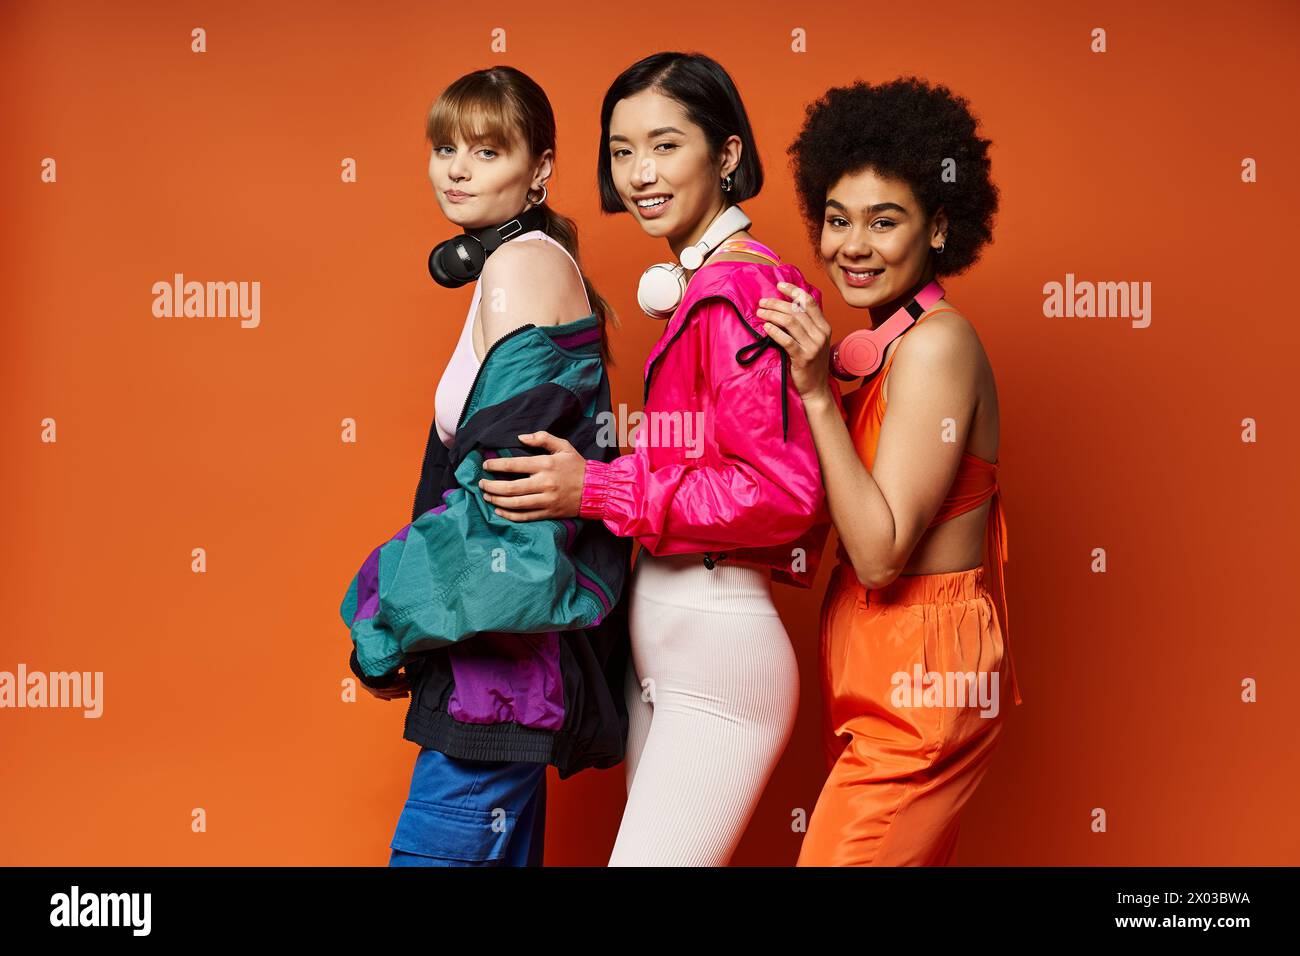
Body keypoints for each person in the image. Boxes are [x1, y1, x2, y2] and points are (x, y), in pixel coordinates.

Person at [478, 52, 832, 866]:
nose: (640, 173)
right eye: (622, 150)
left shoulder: (742, 291)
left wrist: (593, 485)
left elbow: (781, 492)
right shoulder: (700, 284)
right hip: (675, 644)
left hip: (716, 649)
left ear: (728, 155)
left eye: (665, 145)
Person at [338, 66, 632, 867]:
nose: (456, 168)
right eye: (444, 147)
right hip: (491, 661)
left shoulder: (520, 270)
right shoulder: (521, 268)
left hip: (500, 669)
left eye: (487, 149)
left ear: (539, 169)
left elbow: (504, 510)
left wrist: (383, 619)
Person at [757, 76, 1024, 866]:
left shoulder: (938, 345)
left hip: (924, 684)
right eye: (837, 221)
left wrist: (813, 394)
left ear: (939, 225)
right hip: (886, 681)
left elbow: (878, 554)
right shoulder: (884, 351)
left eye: (885, 221)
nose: (853, 246)